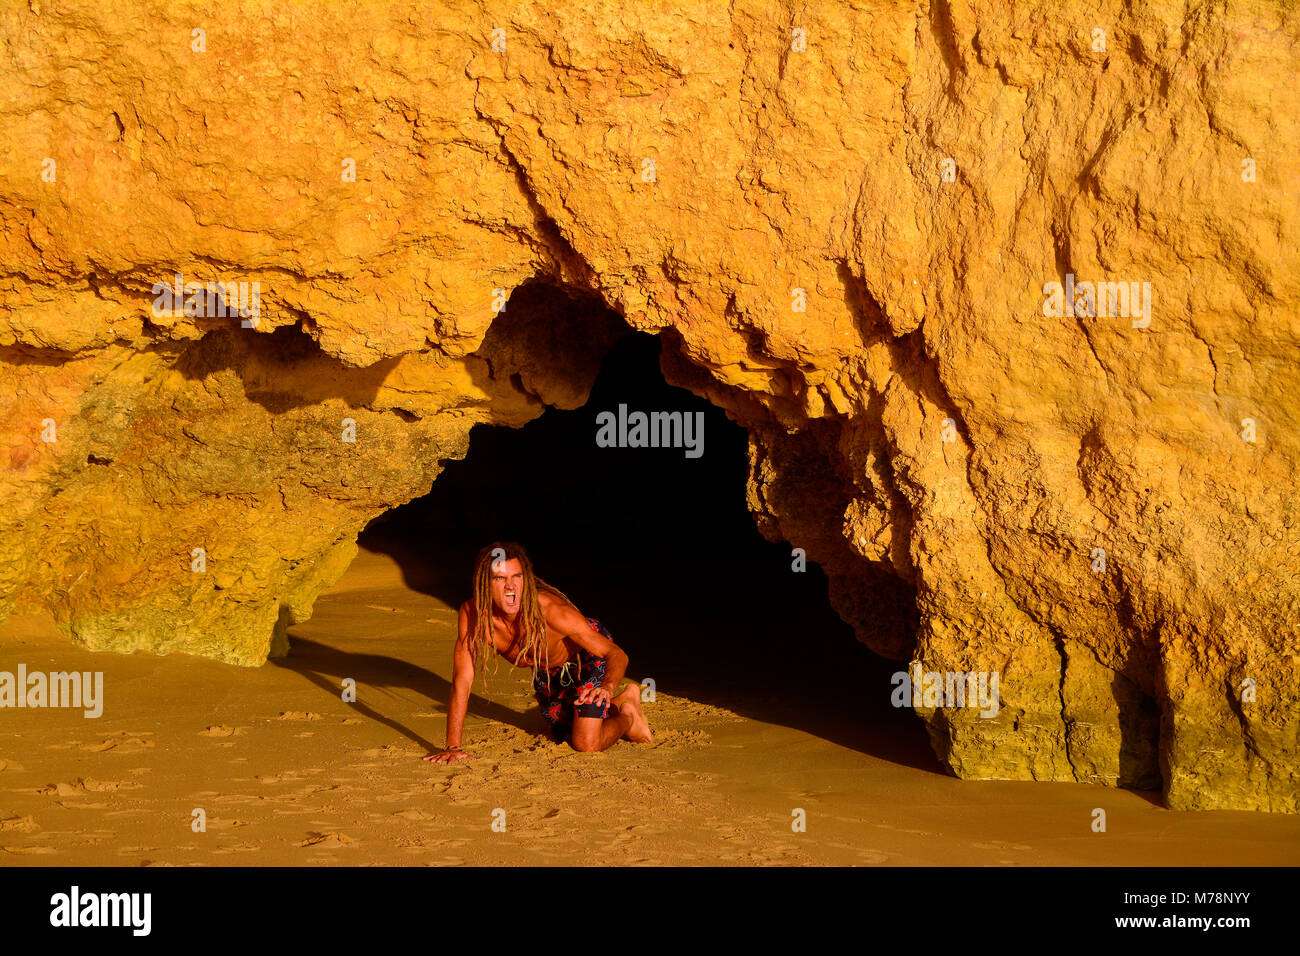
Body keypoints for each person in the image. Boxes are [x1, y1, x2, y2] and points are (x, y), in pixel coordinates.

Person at [424, 541, 652, 764]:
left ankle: (628, 716)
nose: (510, 586)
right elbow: (462, 679)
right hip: (548, 669)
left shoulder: (551, 611)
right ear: (484, 583)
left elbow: (616, 653)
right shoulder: (473, 615)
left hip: (587, 657)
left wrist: (608, 687)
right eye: (500, 578)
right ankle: (621, 700)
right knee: (563, 733)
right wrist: (453, 747)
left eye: (516, 576)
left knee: (585, 742)